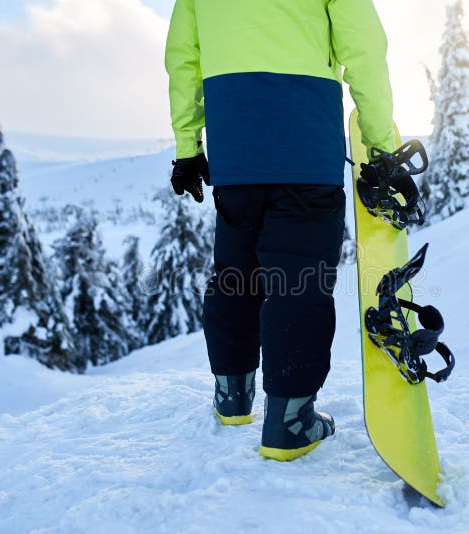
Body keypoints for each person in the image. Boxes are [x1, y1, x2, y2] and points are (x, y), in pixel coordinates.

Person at [165, 0, 396, 461]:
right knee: (297, 280)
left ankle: (232, 398)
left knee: (235, 270)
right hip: (305, 143)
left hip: (236, 148)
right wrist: (380, 145)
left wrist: (188, 146)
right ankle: (290, 422)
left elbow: (183, 58)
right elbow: (363, 48)